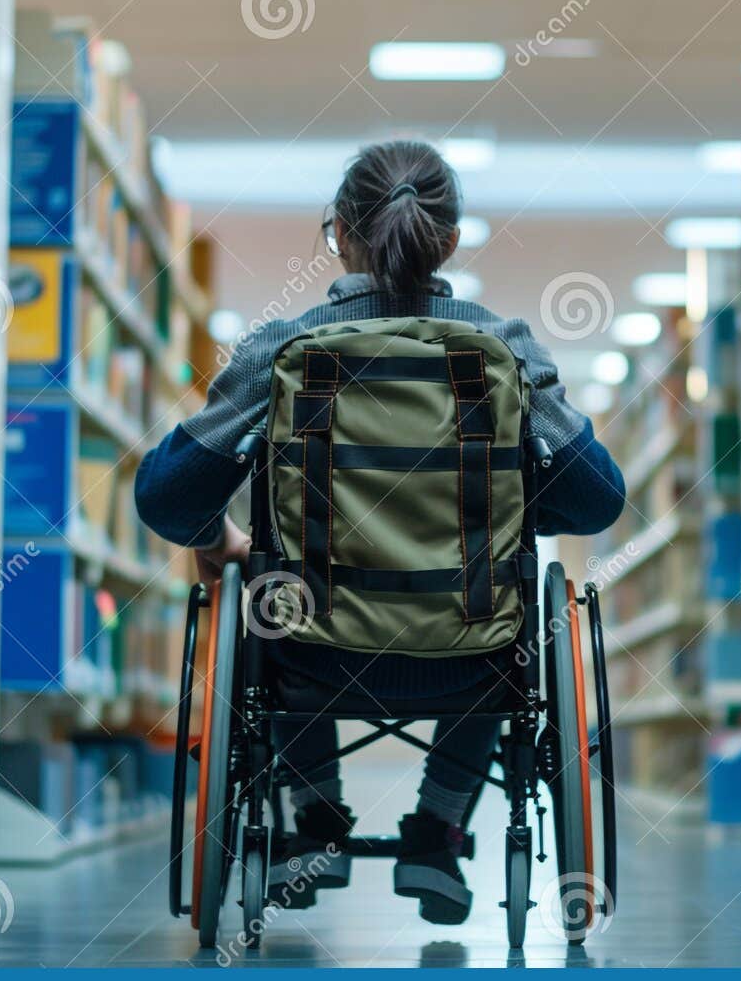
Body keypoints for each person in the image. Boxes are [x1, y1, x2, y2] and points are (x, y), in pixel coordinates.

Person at [134, 140, 625, 926]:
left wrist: (213, 541)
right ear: (452, 242)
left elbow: (164, 498)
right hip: (474, 655)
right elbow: (597, 501)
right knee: (501, 591)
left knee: (272, 583)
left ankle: (315, 818)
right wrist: (506, 514)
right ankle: (437, 830)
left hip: (310, 657)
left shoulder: (282, 350)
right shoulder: (506, 349)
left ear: (339, 234)